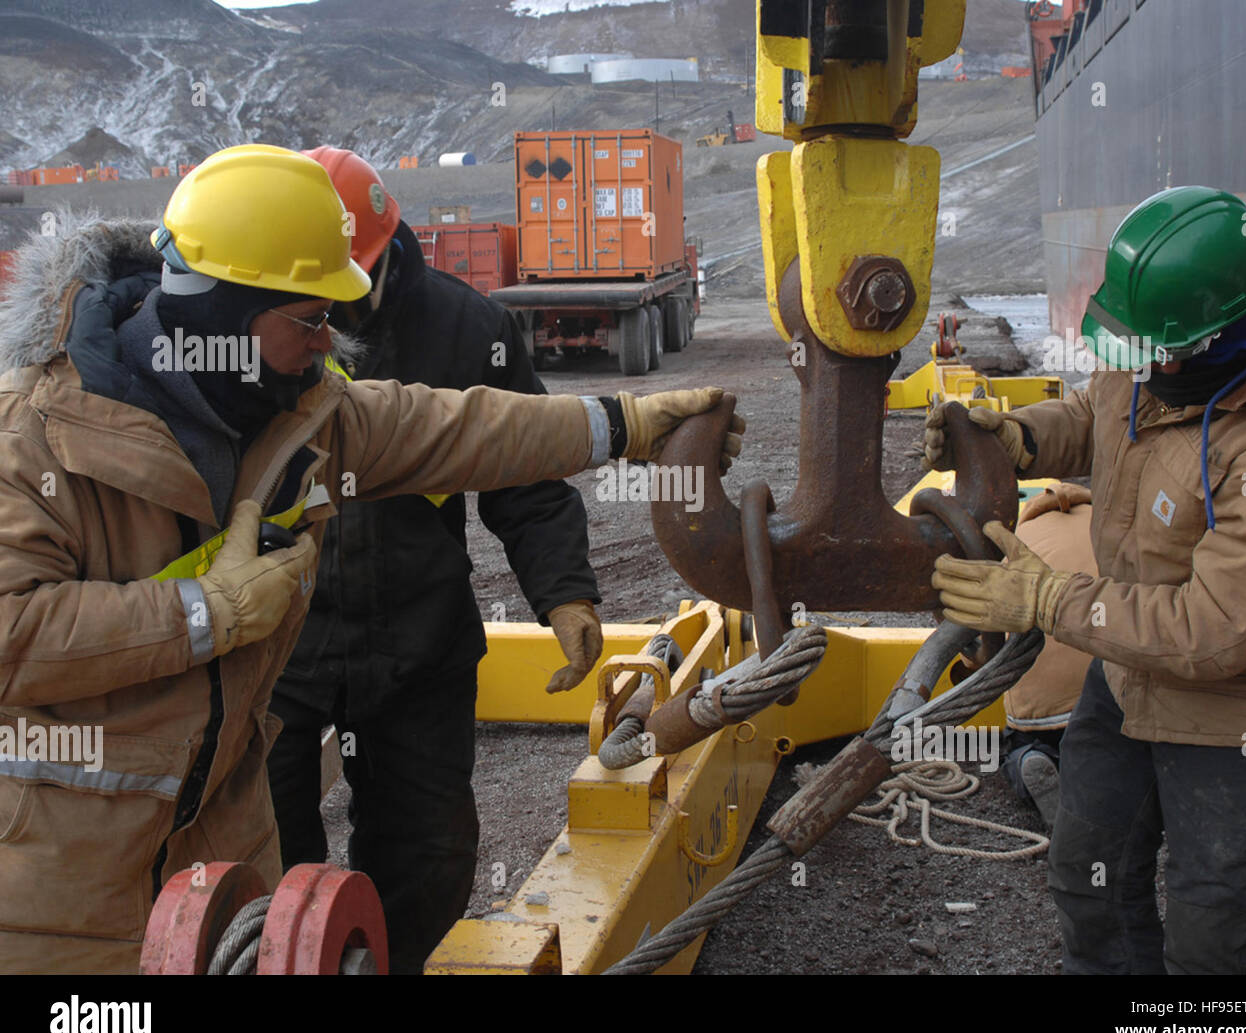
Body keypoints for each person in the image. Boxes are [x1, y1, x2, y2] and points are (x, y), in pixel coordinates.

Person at [0, 143, 742, 974]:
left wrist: (627, 426)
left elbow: (460, 428)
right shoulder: (34, 439)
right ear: (228, 313)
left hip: (218, 869)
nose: (330, 342)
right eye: (311, 319)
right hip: (65, 896)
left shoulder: (298, 414)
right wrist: (207, 612)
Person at [925, 185, 1246, 974]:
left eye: (1149, 353)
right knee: (1089, 878)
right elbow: (1097, 412)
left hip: (1238, 715)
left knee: (1219, 935)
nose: (1131, 364)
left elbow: (1216, 629)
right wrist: (1017, 437)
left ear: (1215, 342)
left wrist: (1046, 598)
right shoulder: (1161, 357)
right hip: (1126, 677)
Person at [267, 147, 601, 973]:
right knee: (265, 851)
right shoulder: (260, 334)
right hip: (284, 650)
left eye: (357, 278)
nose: (337, 309)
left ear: (389, 250)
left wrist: (565, 595)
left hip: (418, 640)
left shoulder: (467, 330)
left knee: (426, 852)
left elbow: (526, 475)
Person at [995, 481, 1096, 832]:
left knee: (1019, 741)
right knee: (1111, 745)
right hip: (1110, 685)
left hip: (1042, 701)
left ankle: (1029, 757)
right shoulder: (1109, 532)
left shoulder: (1020, 541)